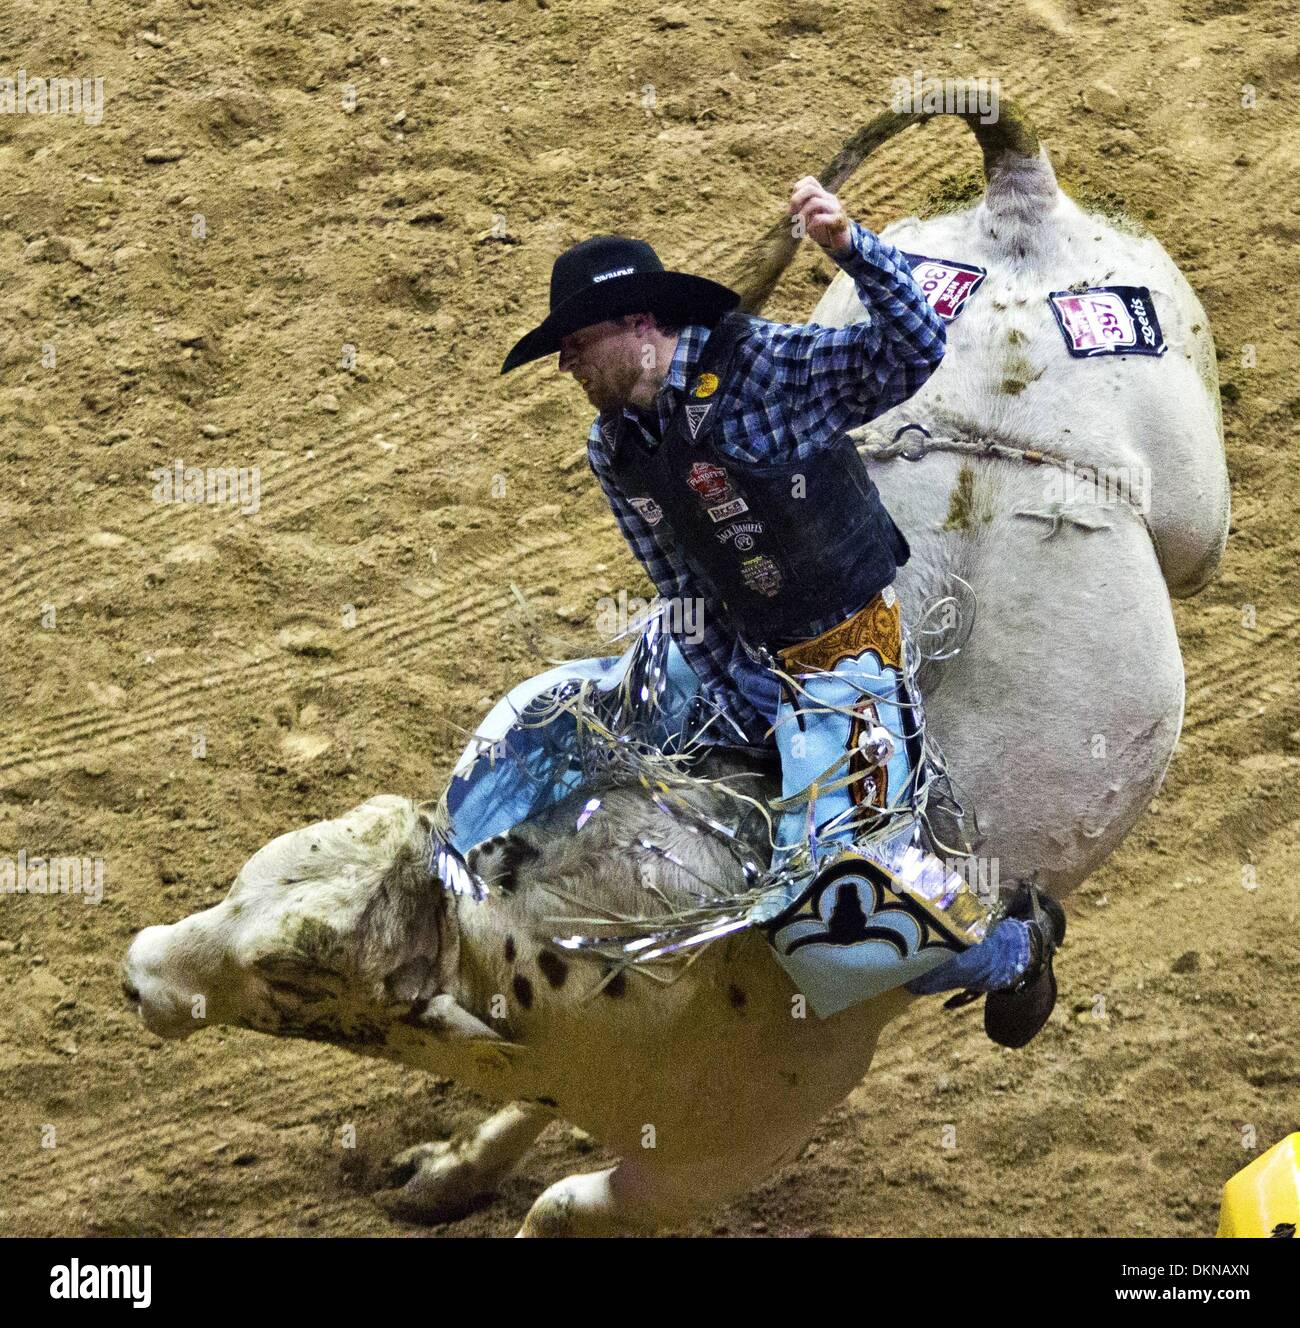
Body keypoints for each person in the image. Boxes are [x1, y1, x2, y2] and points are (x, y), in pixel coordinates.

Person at [500, 177, 1064, 1046]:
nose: (567, 366)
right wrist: (728, 684)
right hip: (732, 651)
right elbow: (677, 581)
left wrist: (849, 248)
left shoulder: (761, 368)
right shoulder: (614, 448)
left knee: (849, 920)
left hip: (846, 652)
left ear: (642, 327)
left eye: (576, 344)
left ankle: (1012, 947)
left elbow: (911, 350)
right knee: (573, 754)